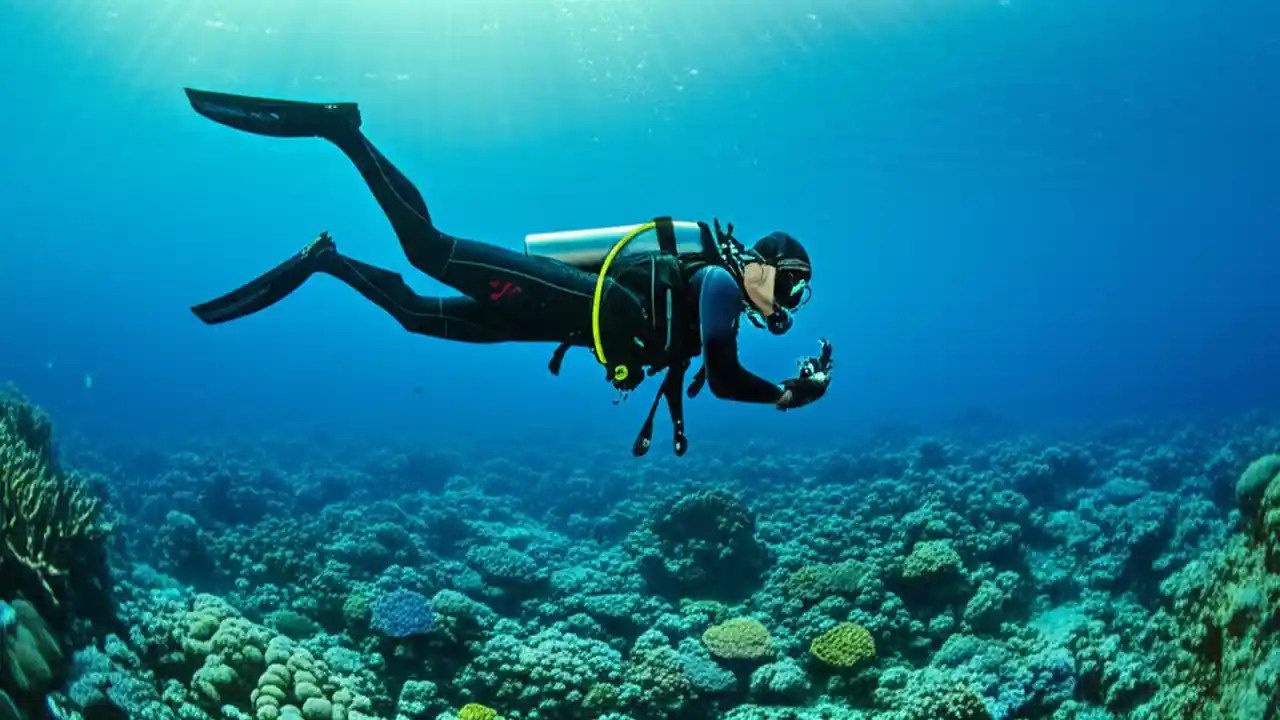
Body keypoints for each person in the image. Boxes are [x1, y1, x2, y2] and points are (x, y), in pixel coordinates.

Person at [181, 88, 833, 455]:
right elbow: (724, 379)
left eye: (799, 294)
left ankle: (327, 260)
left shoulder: (718, 301)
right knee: (429, 251)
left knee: (417, 316)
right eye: (790, 283)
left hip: (558, 322)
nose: (790, 300)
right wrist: (785, 393)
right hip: (573, 299)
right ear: (760, 265)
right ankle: (343, 130)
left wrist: (783, 387)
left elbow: (708, 368)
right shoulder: (719, 284)